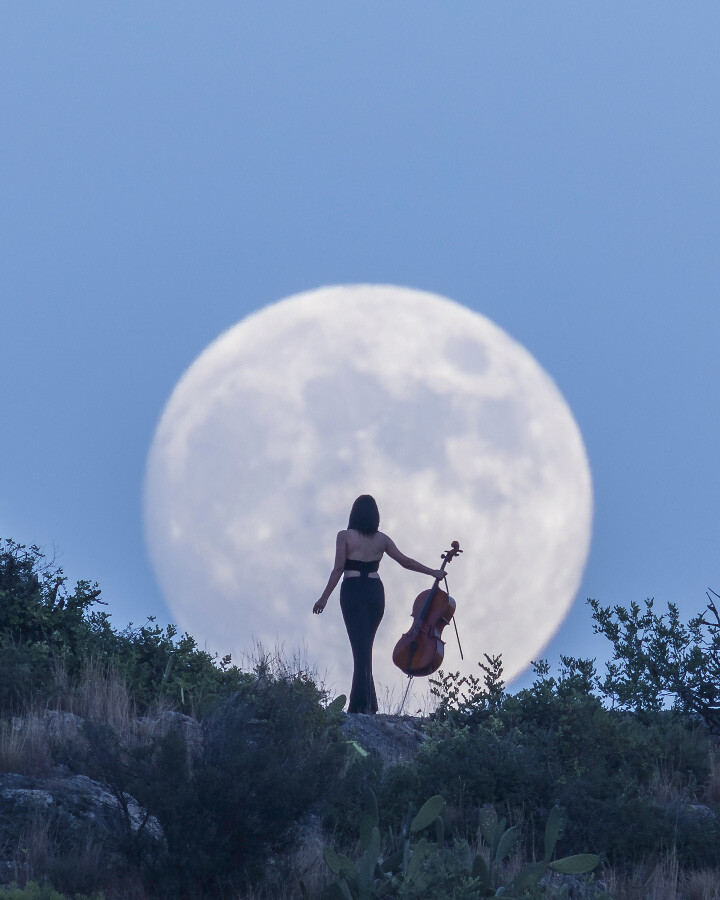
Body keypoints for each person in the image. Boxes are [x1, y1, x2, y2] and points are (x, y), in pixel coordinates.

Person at [313, 495, 445, 714]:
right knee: (364, 648)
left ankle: (360, 706)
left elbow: (338, 569)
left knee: (361, 649)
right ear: (375, 516)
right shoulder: (382, 539)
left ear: (354, 513)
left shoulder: (344, 536)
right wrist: (433, 572)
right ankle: (368, 704)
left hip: (353, 592)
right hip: (375, 593)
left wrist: (324, 597)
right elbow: (406, 561)